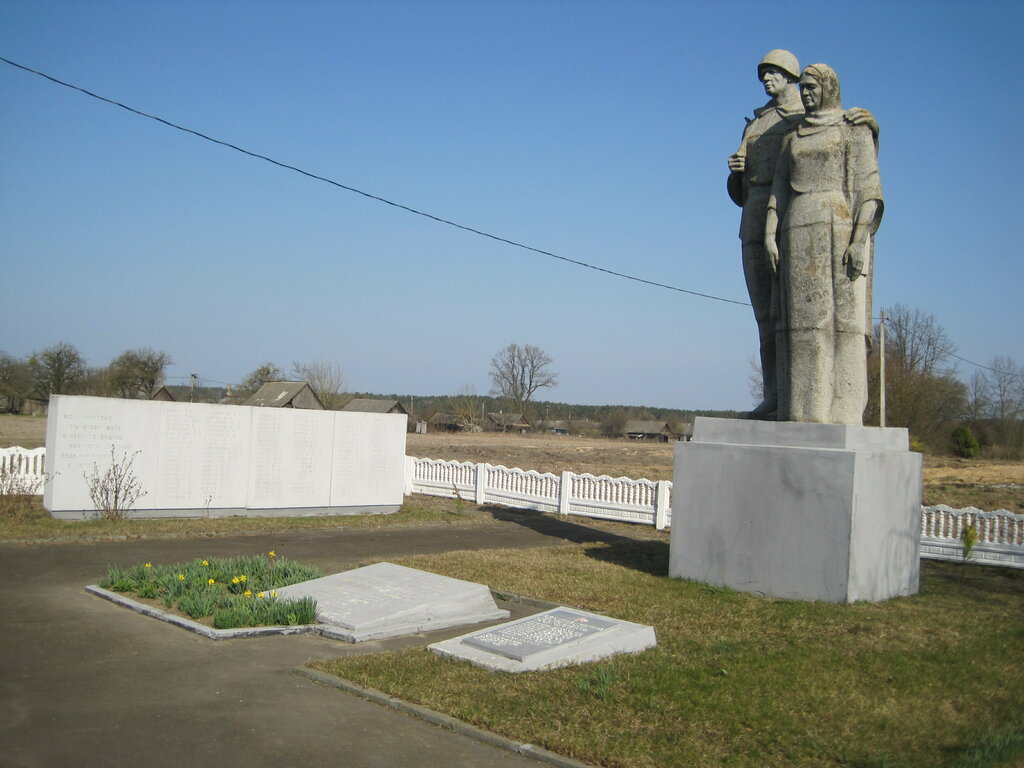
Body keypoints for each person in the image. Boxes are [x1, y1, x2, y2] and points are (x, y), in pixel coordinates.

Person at [728, 50, 877, 419]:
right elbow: (740, 192)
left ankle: (809, 398)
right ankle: (774, 395)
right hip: (758, 218)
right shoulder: (756, 123)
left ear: (793, 78)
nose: (767, 80)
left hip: (805, 219)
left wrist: (873, 129)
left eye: (774, 73)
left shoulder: (806, 118)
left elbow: (855, 163)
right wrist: (736, 173)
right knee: (767, 317)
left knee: (808, 316)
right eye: (763, 74)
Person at [764, 63, 883, 425]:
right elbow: (778, 192)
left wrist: (859, 238)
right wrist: (770, 234)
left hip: (838, 224)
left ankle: (841, 409)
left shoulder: (853, 129)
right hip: (797, 228)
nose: (807, 93)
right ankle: (801, 411)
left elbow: (869, 188)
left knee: (839, 321)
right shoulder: (792, 138)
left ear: (830, 88)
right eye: (804, 88)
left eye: (813, 87)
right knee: (800, 323)